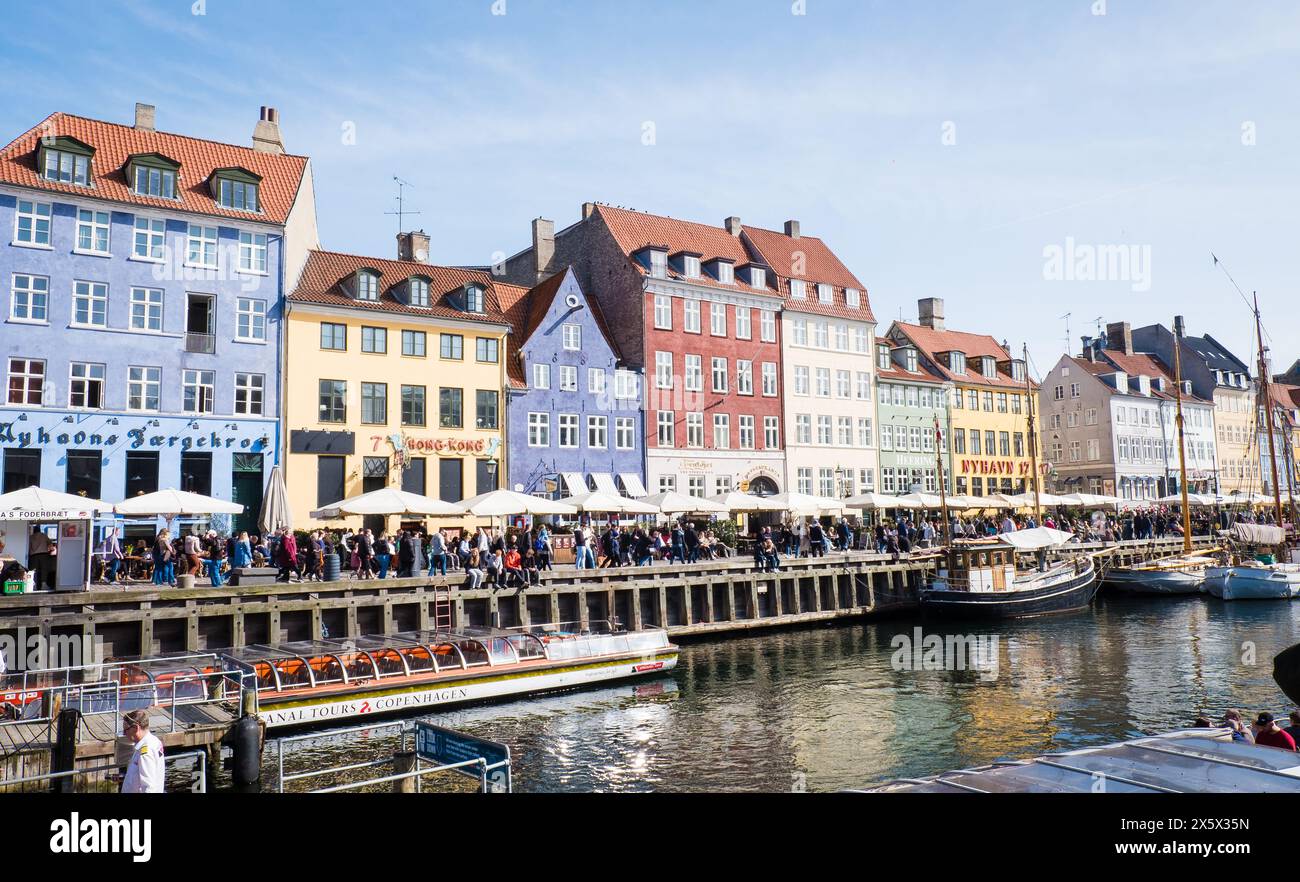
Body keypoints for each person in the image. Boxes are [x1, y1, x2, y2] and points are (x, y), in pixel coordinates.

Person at [120, 709, 164, 793]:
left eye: (126, 730)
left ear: (136, 728)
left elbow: (149, 787)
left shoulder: (145, 752)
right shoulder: (154, 741)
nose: (124, 734)